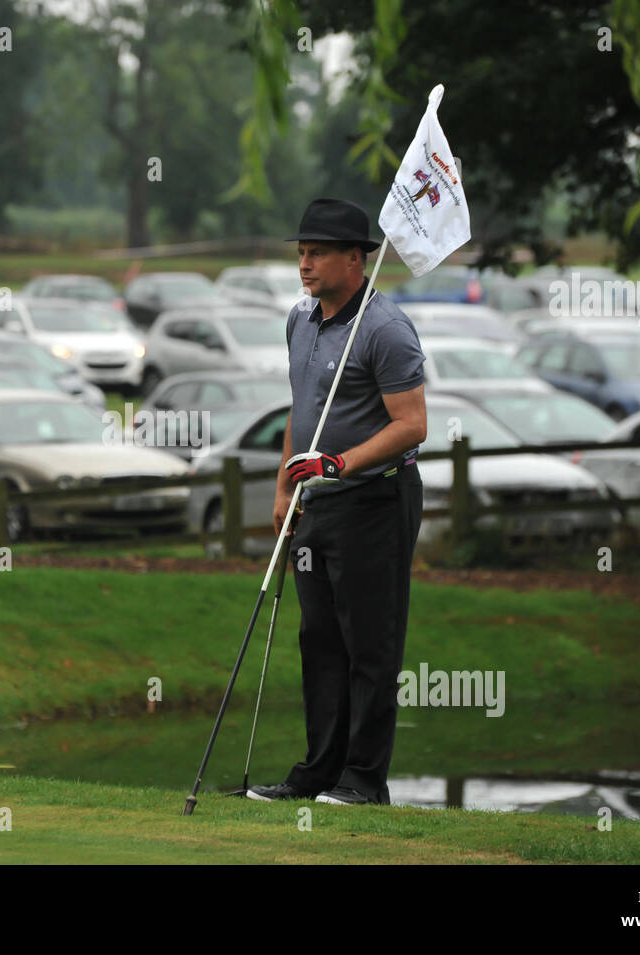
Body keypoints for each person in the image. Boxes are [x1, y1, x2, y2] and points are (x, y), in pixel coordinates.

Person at [247, 197, 427, 806]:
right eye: (301, 252)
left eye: (317, 253)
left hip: (375, 499)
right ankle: (319, 772)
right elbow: (305, 412)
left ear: (356, 259)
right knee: (319, 638)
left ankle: (364, 780)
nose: (305, 264)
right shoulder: (300, 321)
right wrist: (284, 485)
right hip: (316, 501)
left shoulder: (386, 329)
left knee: (368, 643)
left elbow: (412, 425)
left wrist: (340, 464)